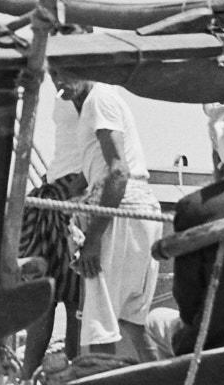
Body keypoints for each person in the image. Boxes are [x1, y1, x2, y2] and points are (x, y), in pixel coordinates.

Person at [48, 67, 155, 359]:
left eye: (66, 72)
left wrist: (93, 238)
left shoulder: (98, 99)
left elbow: (118, 171)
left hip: (121, 207)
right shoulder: (93, 103)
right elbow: (100, 163)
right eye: (52, 72)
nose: (58, 80)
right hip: (138, 206)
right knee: (133, 323)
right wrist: (70, 191)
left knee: (99, 325)